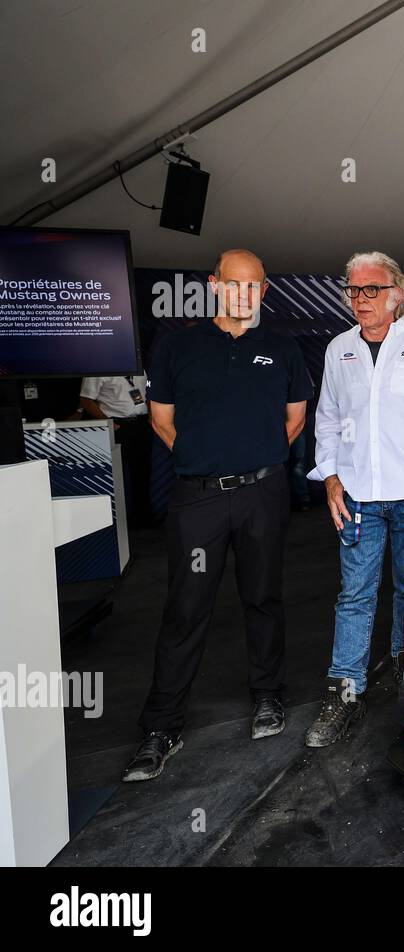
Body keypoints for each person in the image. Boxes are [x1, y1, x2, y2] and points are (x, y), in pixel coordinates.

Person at [123, 250, 313, 782]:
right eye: (234, 285)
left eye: (253, 287)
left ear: (263, 292)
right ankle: (162, 726)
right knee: (186, 607)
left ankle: (269, 697)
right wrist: (207, 461)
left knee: (263, 598)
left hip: (262, 495)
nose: (243, 295)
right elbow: (161, 419)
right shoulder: (178, 346)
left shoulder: (282, 349)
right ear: (214, 286)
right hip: (198, 500)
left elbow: (294, 419)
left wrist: (255, 461)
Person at [305, 252, 404, 747]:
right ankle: (344, 693)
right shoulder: (339, 350)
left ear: (396, 294)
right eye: (353, 290)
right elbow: (328, 418)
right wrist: (331, 477)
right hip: (357, 496)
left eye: (370, 290)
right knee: (355, 595)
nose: (360, 299)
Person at [79, 372, 154, 524]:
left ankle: (143, 517)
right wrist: (106, 421)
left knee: (142, 471)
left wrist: (151, 415)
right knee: (119, 473)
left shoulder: (139, 367)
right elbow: (86, 399)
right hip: (117, 425)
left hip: (140, 424)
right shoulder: (100, 369)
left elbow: (147, 392)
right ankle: (119, 518)